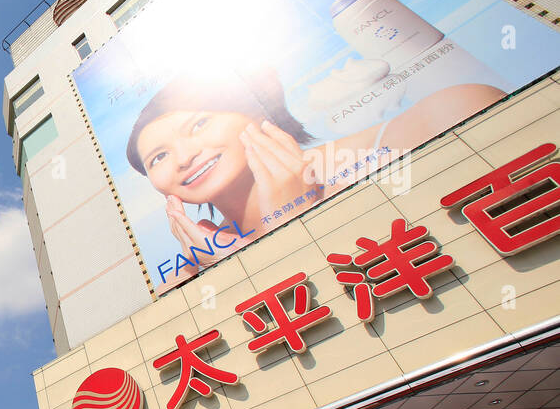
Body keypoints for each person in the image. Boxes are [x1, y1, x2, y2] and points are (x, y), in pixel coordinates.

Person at [125, 68, 505, 291]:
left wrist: (298, 222)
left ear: (254, 111)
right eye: (159, 157)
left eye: (200, 124)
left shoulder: (440, 118)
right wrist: (237, 273)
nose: (185, 157)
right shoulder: (191, 274)